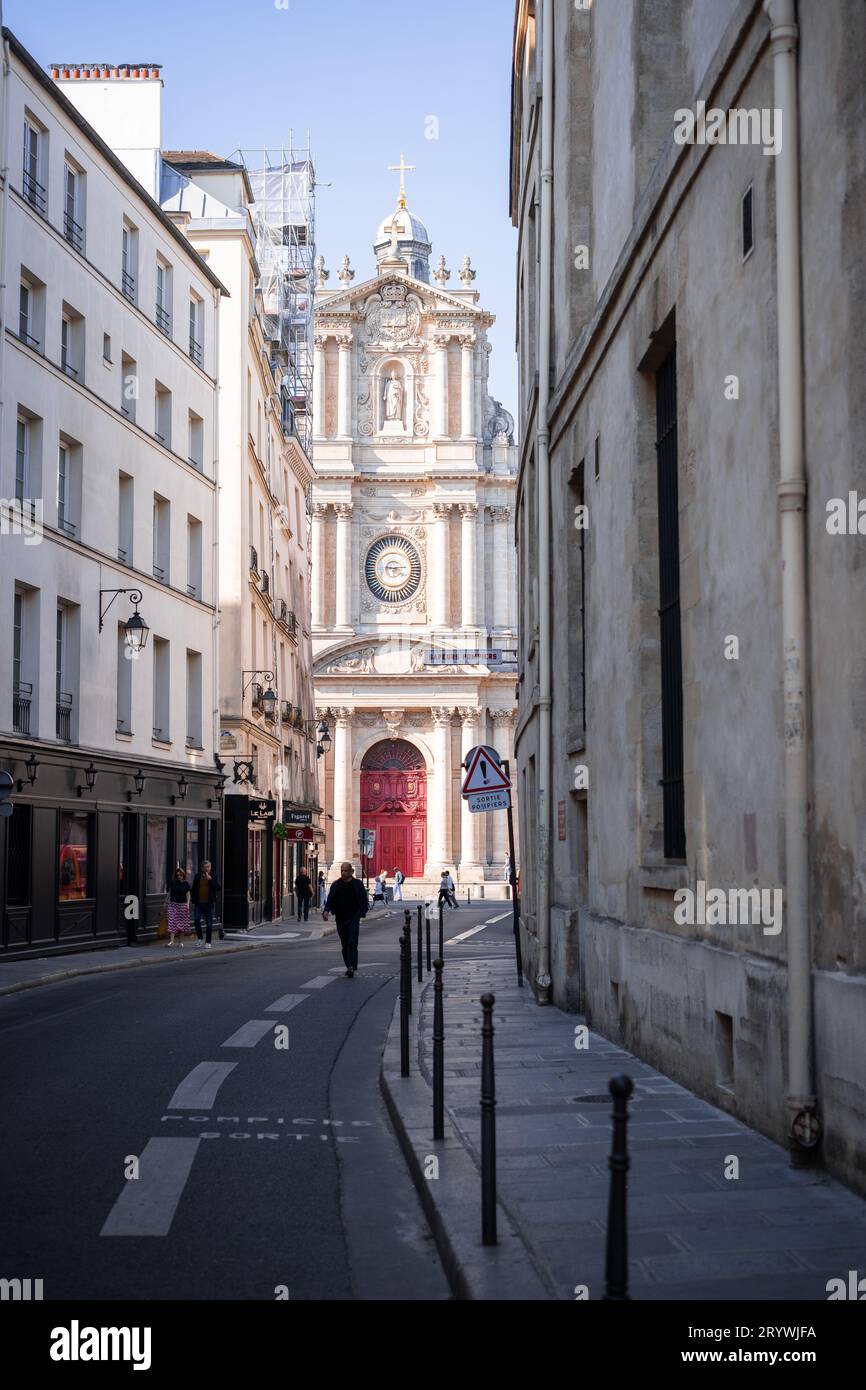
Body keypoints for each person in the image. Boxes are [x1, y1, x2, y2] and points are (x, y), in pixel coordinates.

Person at [322, 862, 369, 977]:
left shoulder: (357, 884)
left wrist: (362, 913)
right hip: (341, 917)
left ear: (351, 872)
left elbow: (363, 899)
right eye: (342, 871)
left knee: (352, 941)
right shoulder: (336, 885)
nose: (343, 873)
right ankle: (349, 965)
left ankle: (351, 967)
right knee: (344, 943)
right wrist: (326, 911)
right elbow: (330, 899)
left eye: (345, 871)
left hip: (354, 917)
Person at [190, 860, 220, 948]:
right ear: (202, 868)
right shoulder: (197, 876)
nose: (206, 869)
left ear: (210, 867)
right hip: (199, 903)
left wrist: (210, 880)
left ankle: (208, 942)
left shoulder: (213, 876)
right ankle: (200, 938)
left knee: (209, 924)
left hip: (209, 904)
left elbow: (218, 888)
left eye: (208, 867)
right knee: (196, 920)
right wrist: (193, 898)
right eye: (205, 867)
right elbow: (194, 888)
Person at [166, 866, 192, 947]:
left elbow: (188, 894)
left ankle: (180, 942)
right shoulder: (172, 883)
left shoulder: (186, 883)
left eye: (180, 875)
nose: (179, 877)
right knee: (172, 922)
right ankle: (171, 941)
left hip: (182, 905)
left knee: (182, 924)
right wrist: (166, 903)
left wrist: (187, 904)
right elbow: (169, 893)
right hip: (173, 904)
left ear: (183, 875)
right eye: (177, 875)